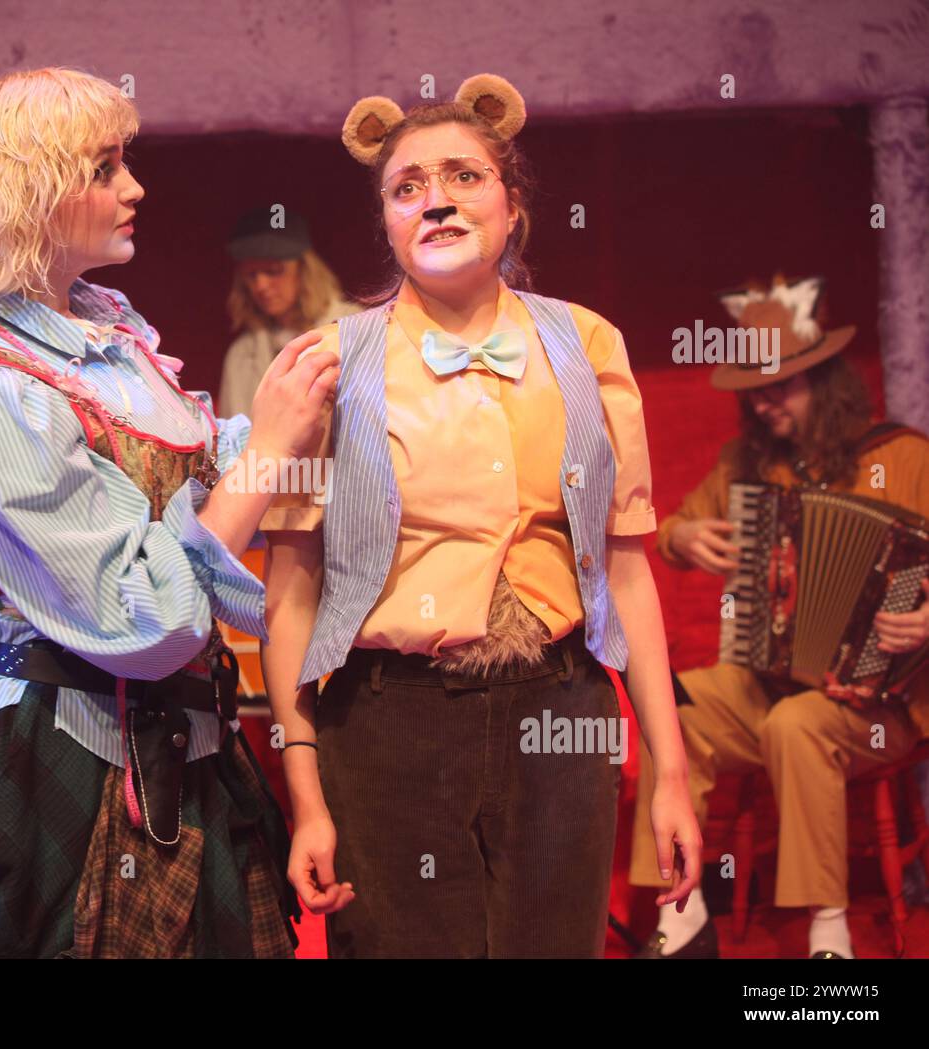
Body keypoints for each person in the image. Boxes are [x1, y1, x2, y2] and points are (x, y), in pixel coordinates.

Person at [0, 66, 339, 958]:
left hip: (178, 739)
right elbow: (138, 615)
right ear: (29, 196)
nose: (135, 186)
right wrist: (270, 446)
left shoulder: (103, 333)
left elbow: (200, 466)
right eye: (104, 167)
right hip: (66, 766)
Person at [259, 74, 699, 958]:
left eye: (465, 176)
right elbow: (293, 589)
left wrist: (671, 772)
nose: (437, 202)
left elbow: (623, 567)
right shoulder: (329, 359)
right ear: (385, 220)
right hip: (388, 725)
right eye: (407, 187)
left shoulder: (588, 343)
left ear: (513, 206)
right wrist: (304, 787)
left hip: (560, 705)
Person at [628, 274, 929, 959]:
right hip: (764, 683)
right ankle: (683, 917)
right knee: (666, 700)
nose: (763, 406)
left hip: (875, 706)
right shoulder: (746, 463)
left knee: (799, 724)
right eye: (753, 392)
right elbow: (674, 529)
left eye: (779, 387)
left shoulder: (905, 458)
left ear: (826, 382)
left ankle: (829, 933)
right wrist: (683, 539)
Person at [216, 208, 358, 418]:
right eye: (251, 275)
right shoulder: (241, 355)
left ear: (305, 270)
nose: (261, 285)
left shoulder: (354, 328)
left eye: (273, 271)